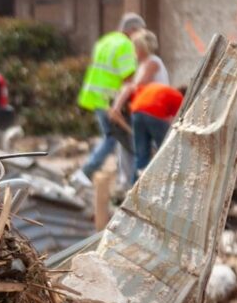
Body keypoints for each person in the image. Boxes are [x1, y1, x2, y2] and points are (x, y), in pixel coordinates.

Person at [76, 12, 146, 180]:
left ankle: (125, 177)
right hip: (112, 100)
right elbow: (128, 76)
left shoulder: (106, 40)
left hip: (97, 97)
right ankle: (86, 172)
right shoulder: (125, 45)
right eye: (140, 32)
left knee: (115, 138)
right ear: (132, 30)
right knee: (114, 138)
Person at [109, 29, 168, 185]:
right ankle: (136, 192)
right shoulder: (143, 65)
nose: (133, 52)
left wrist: (117, 106)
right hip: (144, 113)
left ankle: (150, 188)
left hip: (155, 113)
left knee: (161, 152)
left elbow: (135, 86)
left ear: (142, 48)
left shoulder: (152, 62)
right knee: (143, 155)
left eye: (135, 48)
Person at [128, 82, 185, 182]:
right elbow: (178, 121)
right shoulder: (180, 97)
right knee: (166, 149)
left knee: (141, 153)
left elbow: (134, 94)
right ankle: (168, 181)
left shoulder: (157, 87)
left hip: (136, 111)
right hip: (154, 111)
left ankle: (135, 185)